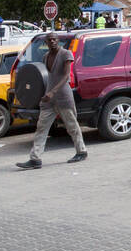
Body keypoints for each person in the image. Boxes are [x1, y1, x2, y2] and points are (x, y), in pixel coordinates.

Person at [17, 33, 88, 170]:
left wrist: (53, 92)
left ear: (58, 41)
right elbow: (45, 78)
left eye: (55, 39)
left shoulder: (66, 54)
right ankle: (35, 158)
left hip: (63, 96)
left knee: (72, 126)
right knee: (41, 128)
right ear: (46, 42)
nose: (53, 41)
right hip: (48, 99)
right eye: (50, 40)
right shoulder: (45, 57)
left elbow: (66, 75)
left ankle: (81, 151)